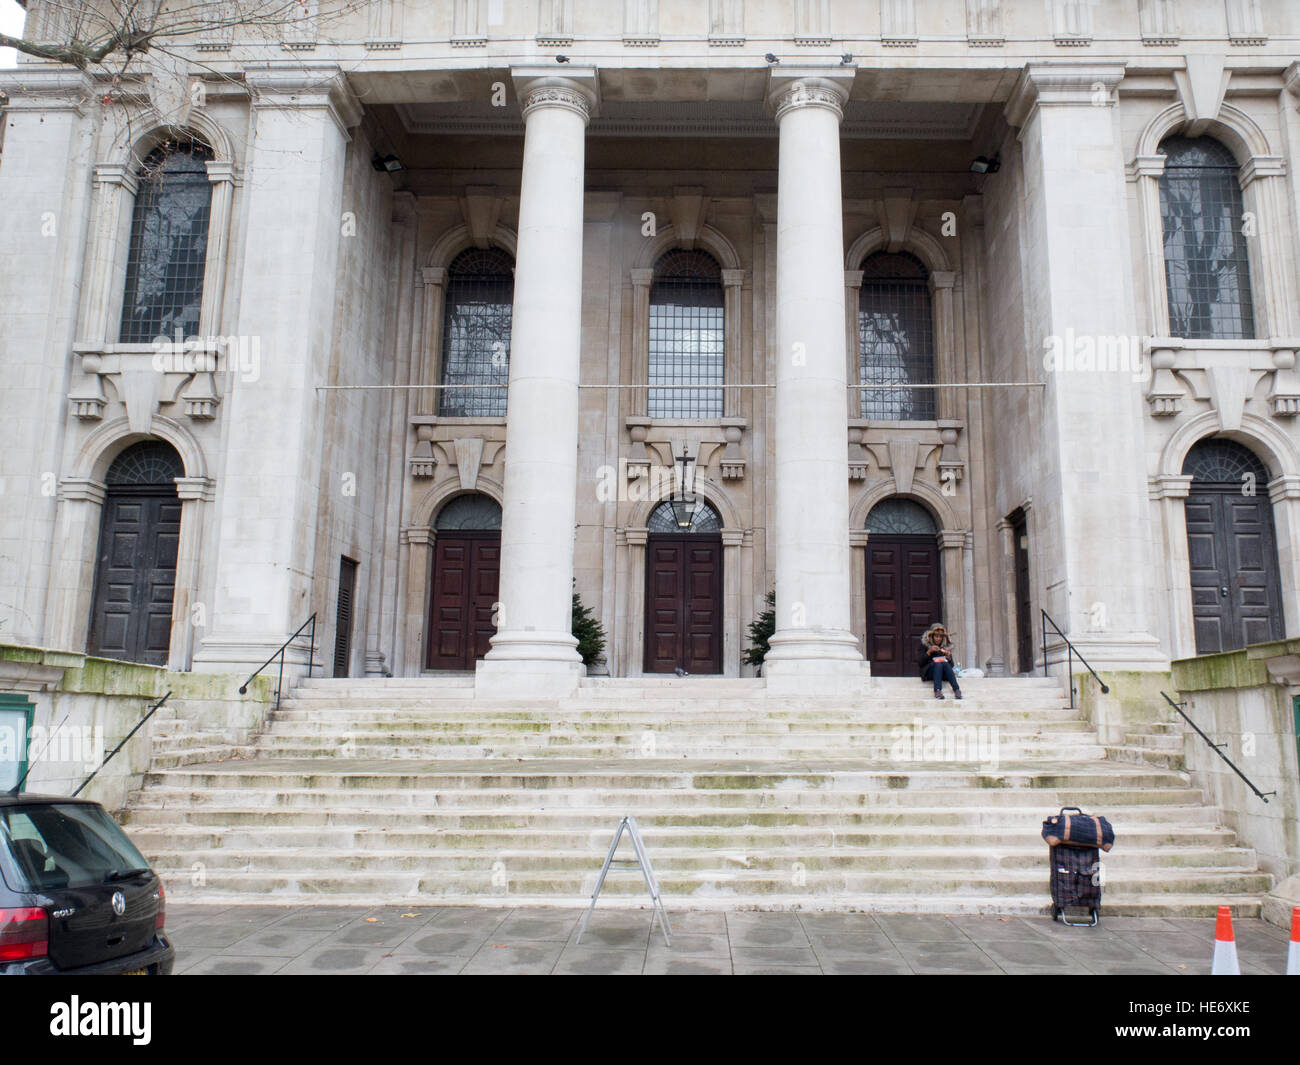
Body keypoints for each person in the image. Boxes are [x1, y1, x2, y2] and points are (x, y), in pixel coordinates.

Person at [917, 624, 962, 700]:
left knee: (944, 663)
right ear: (932, 637)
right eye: (936, 636)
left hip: (943, 673)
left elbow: (951, 666)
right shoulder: (924, 646)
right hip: (929, 672)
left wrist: (949, 658)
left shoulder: (945, 648)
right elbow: (920, 663)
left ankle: (956, 689)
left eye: (940, 637)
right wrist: (929, 652)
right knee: (938, 664)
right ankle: (937, 690)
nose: (938, 639)